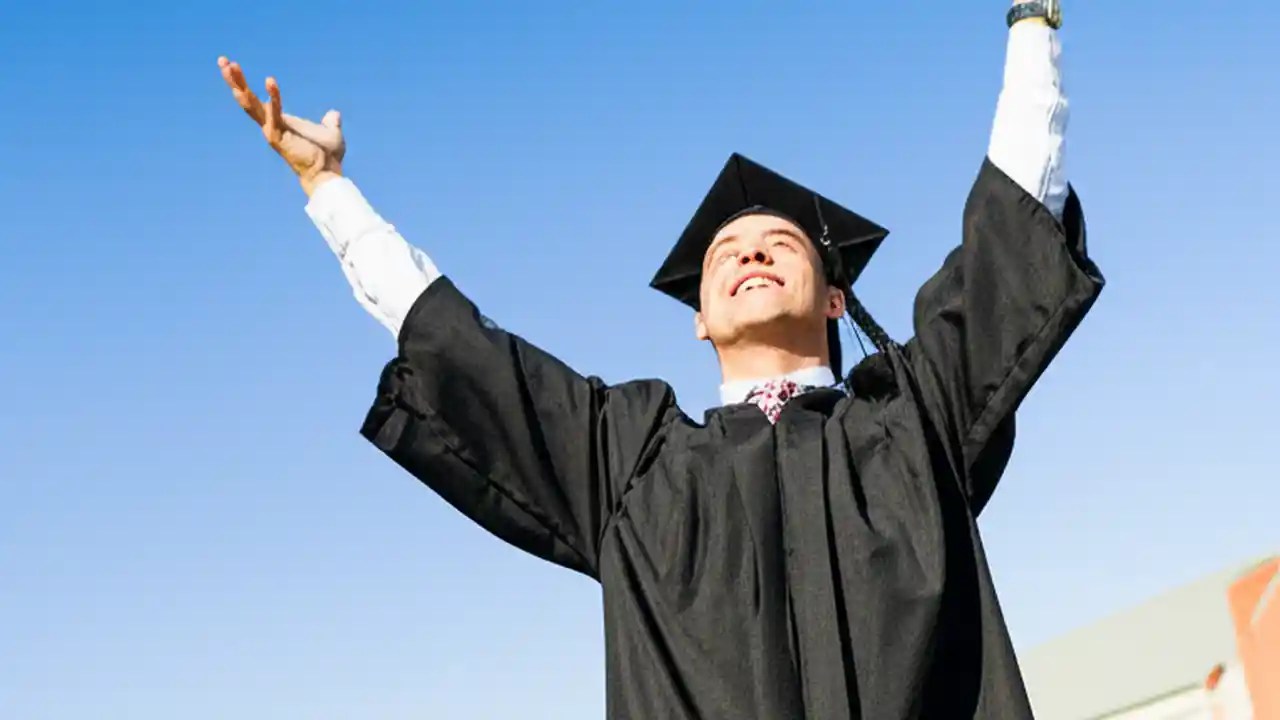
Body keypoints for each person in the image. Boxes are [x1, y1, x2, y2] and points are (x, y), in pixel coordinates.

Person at [219, 1, 1103, 716]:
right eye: (728, 251)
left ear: (836, 297)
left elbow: (1011, 232)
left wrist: (1032, 19)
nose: (750, 253)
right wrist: (328, 190)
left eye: (780, 243)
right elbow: (462, 347)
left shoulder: (914, 421)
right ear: (699, 322)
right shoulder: (632, 462)